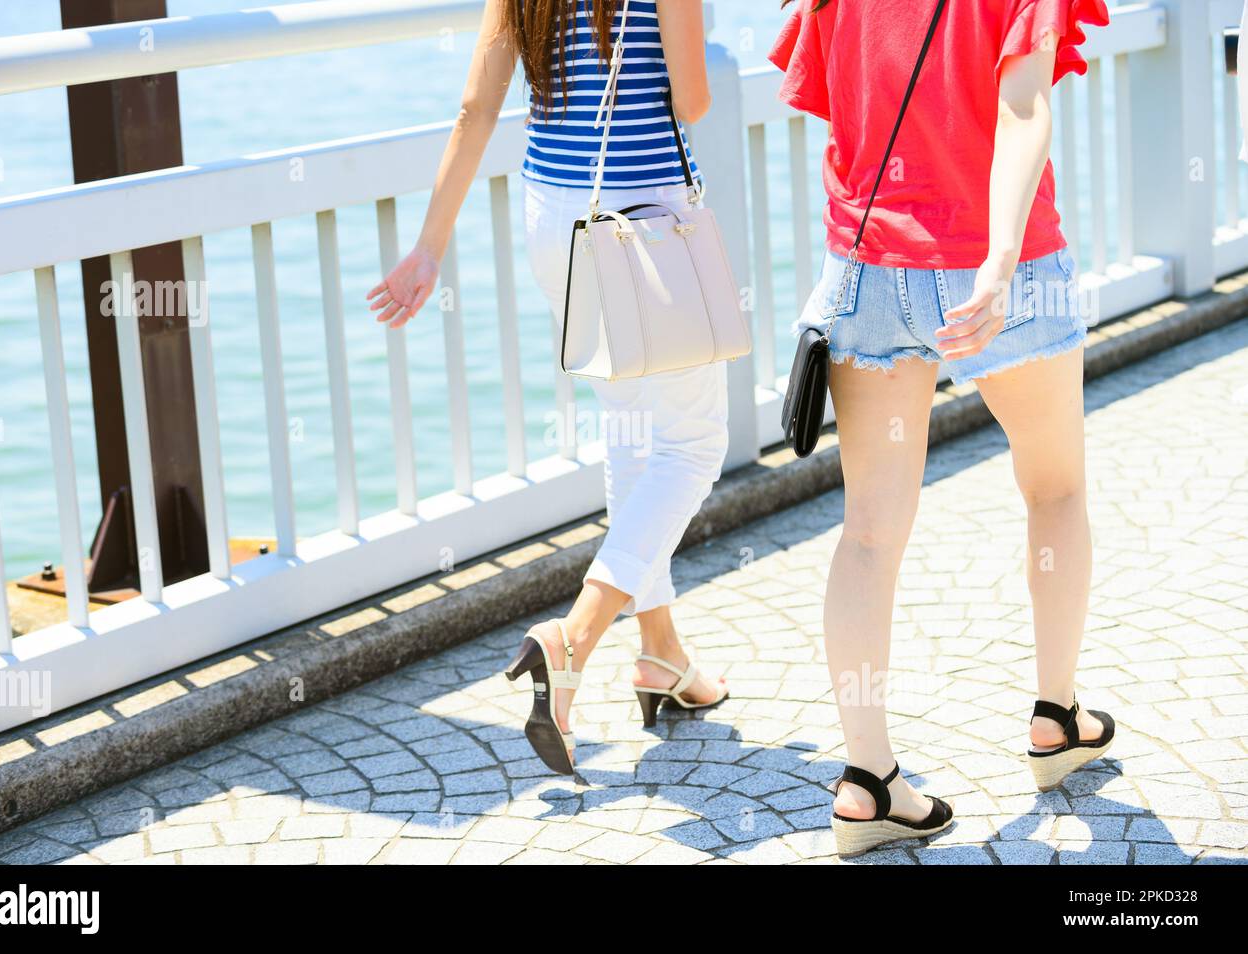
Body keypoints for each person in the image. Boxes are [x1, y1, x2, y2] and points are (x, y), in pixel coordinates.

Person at [769, 0, 1113, 857]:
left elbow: (841, 101)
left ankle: (867, 780)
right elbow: (1021, 100)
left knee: (870, 534)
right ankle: (1055, 716)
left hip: (868, 270)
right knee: (1056, 485)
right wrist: (996, 258)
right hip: (1006, 271)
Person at [367, 0, 729, 777]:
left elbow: (476, 106)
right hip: (641, 220)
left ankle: (661, 651)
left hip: (556, 221)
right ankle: (574, 636)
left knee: (633, 435)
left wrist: (428, 249)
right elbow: (691, 100)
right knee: (695, 442)